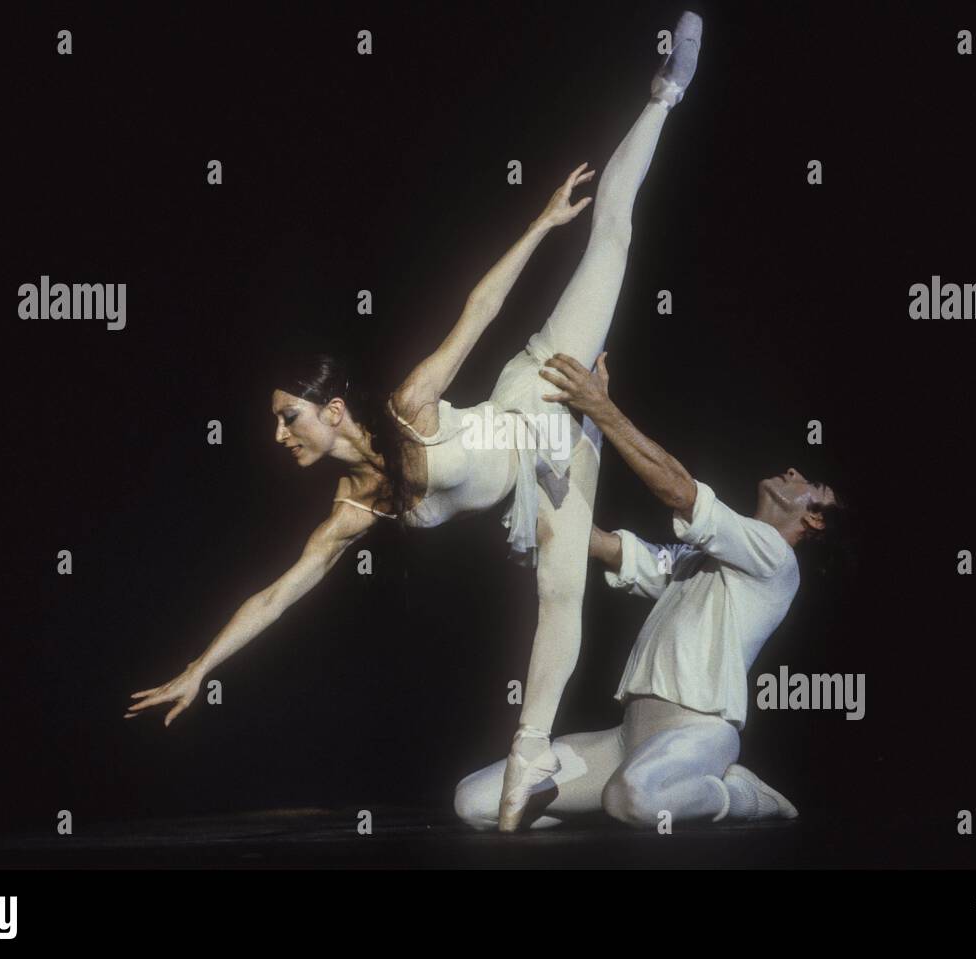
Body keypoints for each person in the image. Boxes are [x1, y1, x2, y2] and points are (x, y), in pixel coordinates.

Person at [127, 13, 707, 831]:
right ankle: (531, 755)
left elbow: (482, 306)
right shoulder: (355, 510)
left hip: (536, 392)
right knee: (558, 585)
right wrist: (198, 667)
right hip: (534, 488)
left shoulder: (409, 408)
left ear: (332, 409)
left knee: (610, 235)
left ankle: (664, 94)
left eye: (288, 417)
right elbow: (274, 597)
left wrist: (542, 222)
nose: (280, 434)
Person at [453, 351, 848, 829]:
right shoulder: (703, 562)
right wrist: (539, 479)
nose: (793, 473)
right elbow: (602, 545)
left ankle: (740, 793)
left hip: (699, 733)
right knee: (474, 803)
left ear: (814, 519)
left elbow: (680, 492)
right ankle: (643, 787)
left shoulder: (774, 559)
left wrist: (602, 407)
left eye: (812, 485)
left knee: (635, 798)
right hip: (627, 739)